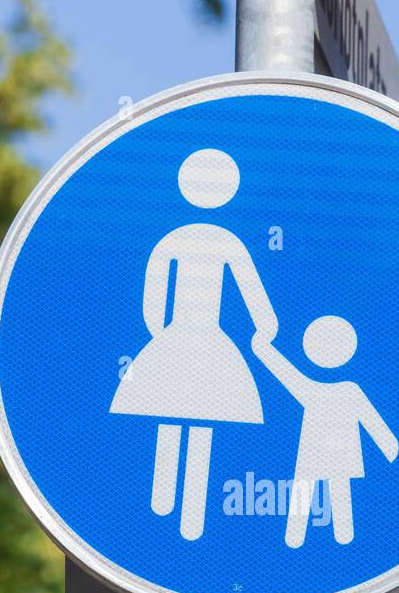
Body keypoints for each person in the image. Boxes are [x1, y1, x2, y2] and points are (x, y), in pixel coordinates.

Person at [111, 148, 277, 541]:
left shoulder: (177, 239)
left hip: (179, 337)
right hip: (204, 340)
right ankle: (182, 514)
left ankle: (171, 507)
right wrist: (265, 327)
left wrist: (159, 333)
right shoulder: (224, 241)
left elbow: (154, 294)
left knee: (178, 414)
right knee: (199, 418)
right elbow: (253, 293)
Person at [252, 316, 399, 548]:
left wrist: (263, 348)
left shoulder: (329, 390)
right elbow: (286, 374)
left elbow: (371, 419)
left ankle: (316, 540)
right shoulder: (337, 390)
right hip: (322, 454)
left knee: (328, 492)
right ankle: (304, 539)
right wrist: (389, 445)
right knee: (319, 491)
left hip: (330, 453)